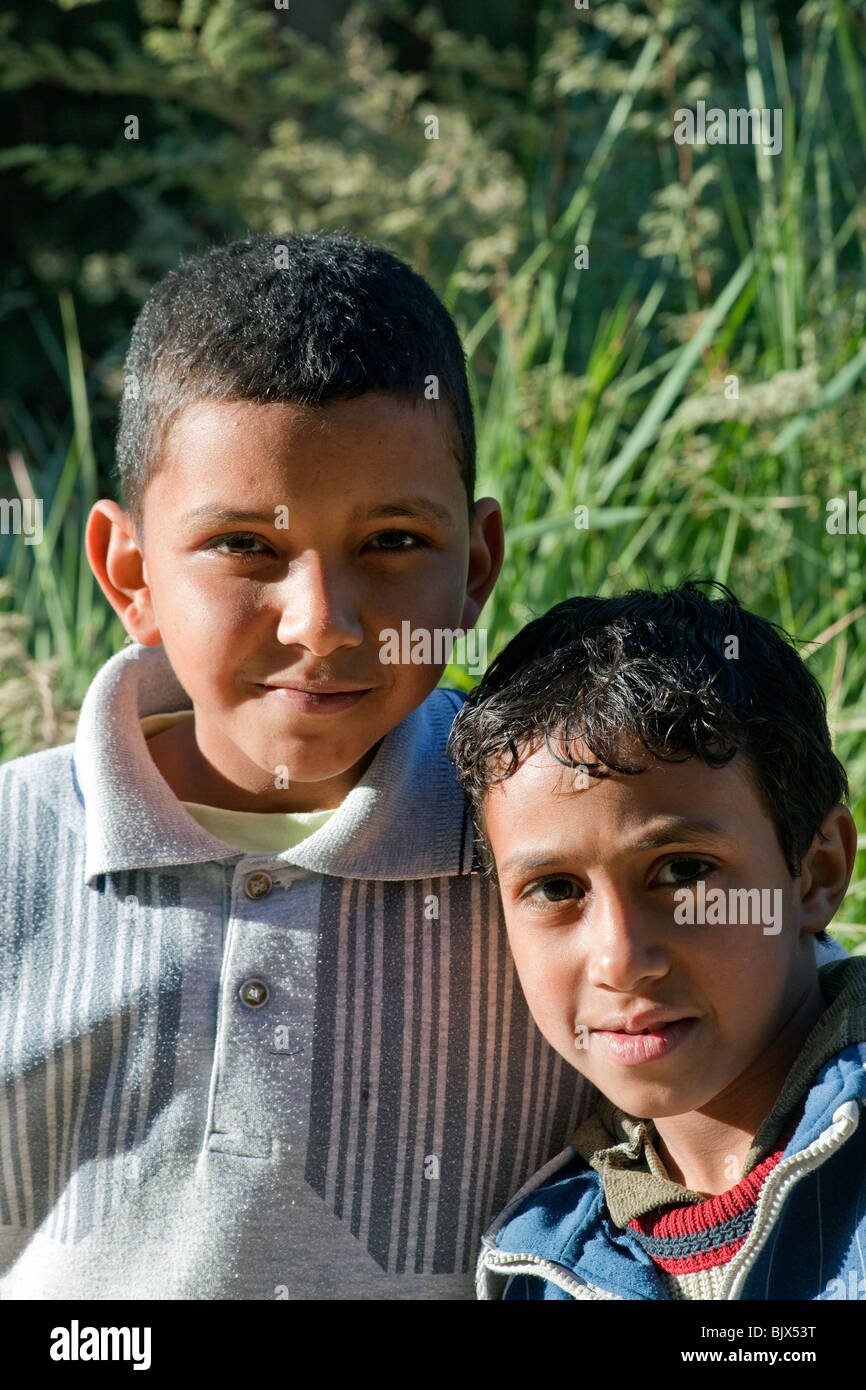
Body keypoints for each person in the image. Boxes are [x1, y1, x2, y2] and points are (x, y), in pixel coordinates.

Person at [0, 232, 588, 1299]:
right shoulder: (13, 851)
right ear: (127, 571)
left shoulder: (557, 845)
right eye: (245, 548)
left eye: (394, 543)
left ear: (478, 566)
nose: (322, 624)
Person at [447, 582, 860, 1301]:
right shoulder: (533, 1268)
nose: (620, 958)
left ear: (816, 874)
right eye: (554, 890)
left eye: (683, 872)